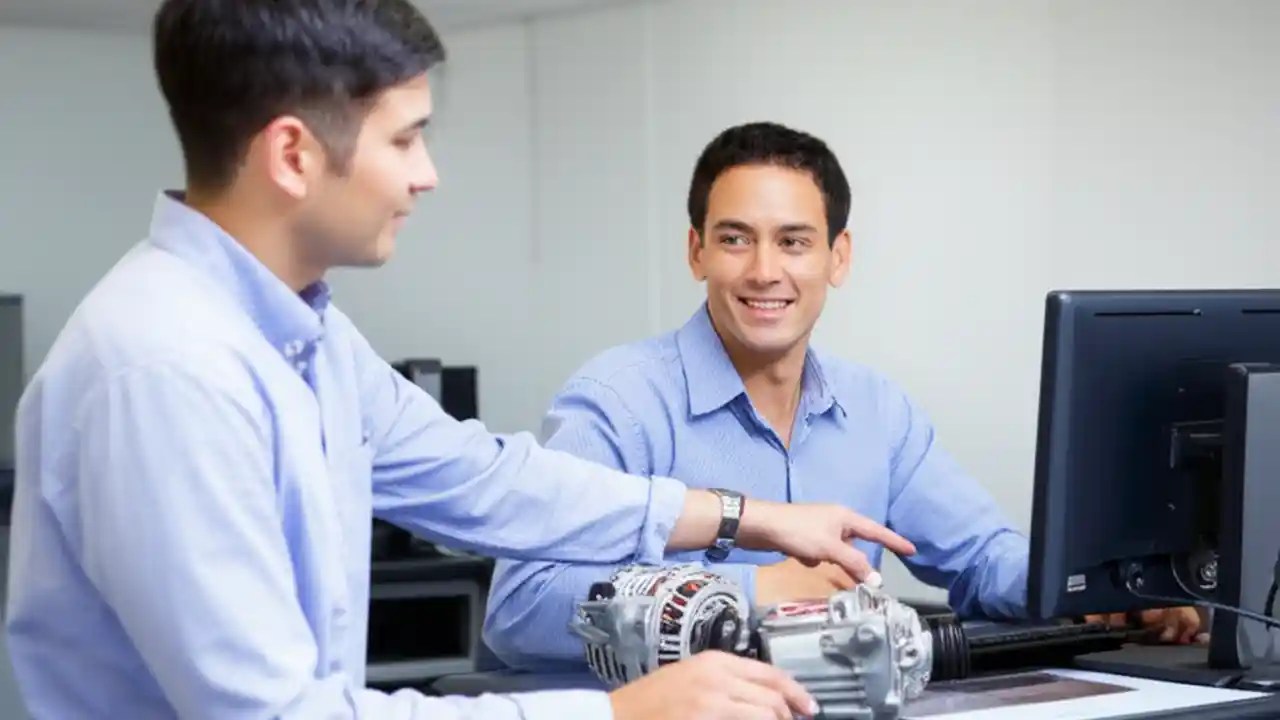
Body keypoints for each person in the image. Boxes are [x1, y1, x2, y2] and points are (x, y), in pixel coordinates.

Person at [2, 6, 920, 720]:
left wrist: (751, 518)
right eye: (404, 137)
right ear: (292, 153)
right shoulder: (167, 369)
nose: (426, 174)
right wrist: (612, 710)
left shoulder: (306, 337)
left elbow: (487, 482)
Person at [482, 121, 1205, 669]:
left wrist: (1109, 594)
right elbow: (518, 609)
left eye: (794, 242)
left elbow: (984, 556)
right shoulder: (620, 400)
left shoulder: (876, 410)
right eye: (736, 239)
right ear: (696, 250)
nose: (765, 271)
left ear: (838, 257)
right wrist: (754, 592)